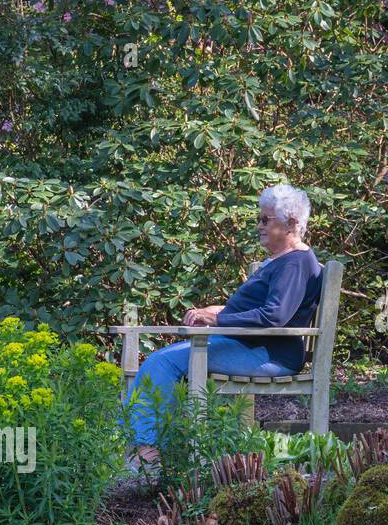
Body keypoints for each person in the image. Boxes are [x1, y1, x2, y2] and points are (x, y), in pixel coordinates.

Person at [125, 183, 324, 463]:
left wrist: (218, 318)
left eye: (265, 219)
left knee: (164, 363)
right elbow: (258, 307)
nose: (259, 226)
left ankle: (149, 454)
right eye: (259, 219)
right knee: (163, 360)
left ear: (291, 223)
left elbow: (274, 316)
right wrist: (215, 310)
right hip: (249, 344)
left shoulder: (294, 264)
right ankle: (147, 448)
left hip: (268, 353)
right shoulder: (281, 261)